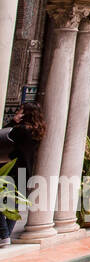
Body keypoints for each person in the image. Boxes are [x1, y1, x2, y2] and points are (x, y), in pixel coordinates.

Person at [0, 102, 42, 246]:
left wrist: (13, 120)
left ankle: (4, 234)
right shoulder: (37, 131)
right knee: (14, 205)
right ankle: (6, 236)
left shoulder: (21, 130)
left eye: (20, 111)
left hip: (12, 171)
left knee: (2, 202)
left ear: (25, 114)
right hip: (26, 172)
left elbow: (2, 134)